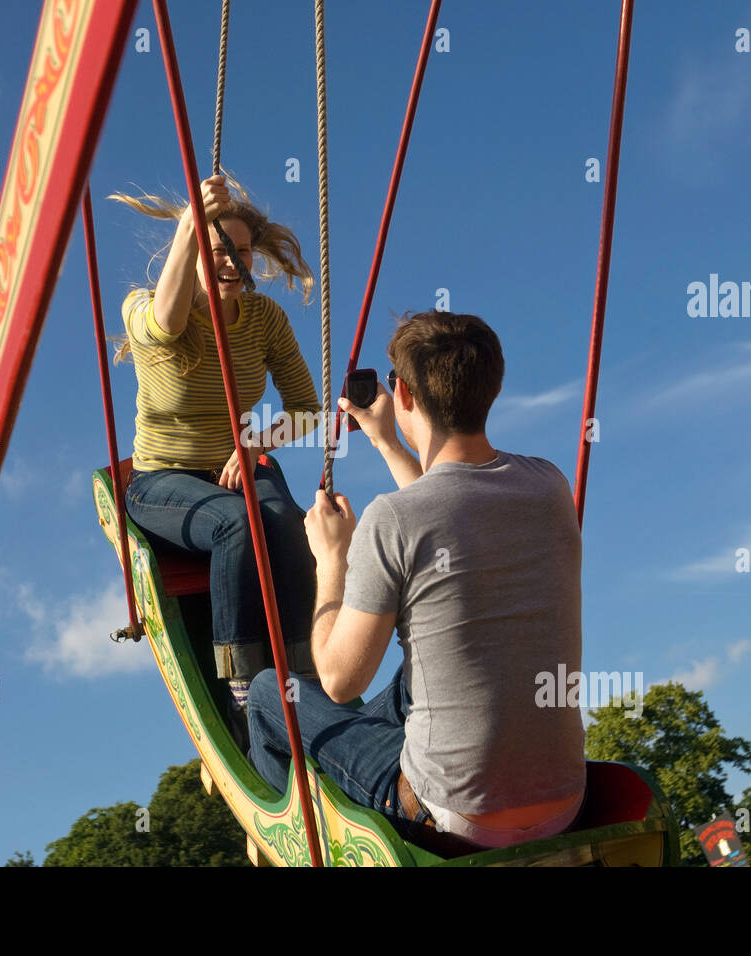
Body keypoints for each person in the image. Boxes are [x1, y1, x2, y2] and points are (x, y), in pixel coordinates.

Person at [247, 310, 586, 854]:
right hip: (565, 802)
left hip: (450, 812)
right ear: (492, 386)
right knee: (423, 664)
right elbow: (453, 515)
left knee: (269, 694)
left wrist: (332, 560)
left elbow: (340, 680)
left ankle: (288, 847)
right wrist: (387, 444)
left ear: (401, 392)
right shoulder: (547, 485)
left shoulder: (393, 518)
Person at [111, 174, 320, 725]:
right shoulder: (144, 309)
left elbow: (308, 408)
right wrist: (187, 228)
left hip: (236, 460)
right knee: (237, 522)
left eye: (241, 251)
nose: (231, 261)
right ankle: (244, 686)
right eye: (216, 249)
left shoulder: (264, 319)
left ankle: (307, 674)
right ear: (191, 252)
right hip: (162, 480)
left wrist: (255, 442)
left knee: (286, 522)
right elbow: (168, 322)